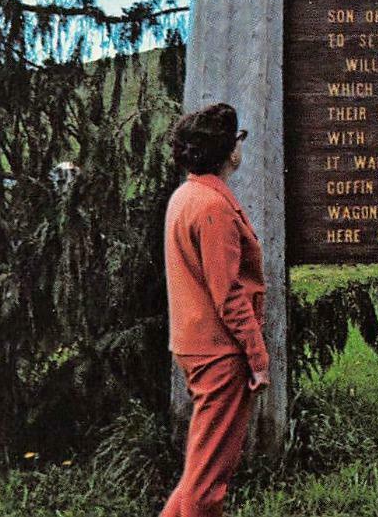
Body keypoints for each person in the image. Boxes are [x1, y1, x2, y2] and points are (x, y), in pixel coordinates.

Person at [161, 102, 268, 517]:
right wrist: (257, 358)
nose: (240, 147)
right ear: (228, 151)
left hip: (197, 346)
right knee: (208, 484)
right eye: (238, 139)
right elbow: (229, 295)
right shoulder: (213, 207)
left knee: (199, 472)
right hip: (220, 352)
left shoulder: (187, 196)